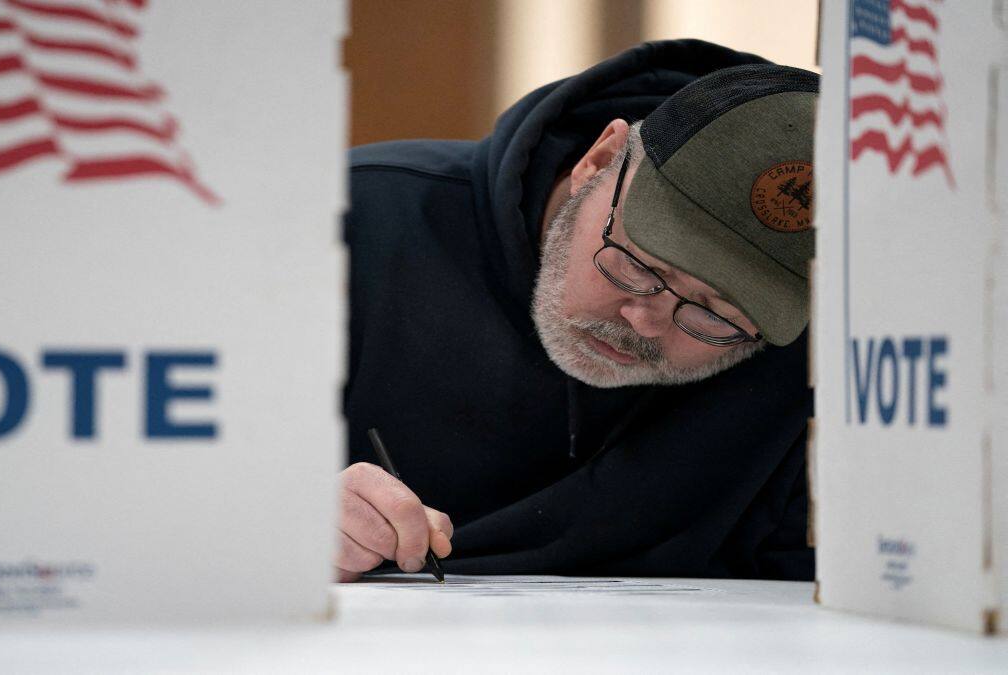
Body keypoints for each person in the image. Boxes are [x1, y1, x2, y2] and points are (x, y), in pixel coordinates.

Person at [339, 39, 819, 582]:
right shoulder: (349, 227)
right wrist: (274, 515)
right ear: (599, 160)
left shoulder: (817, 358)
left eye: (717, 313)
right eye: (638, 265)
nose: (646, 320)